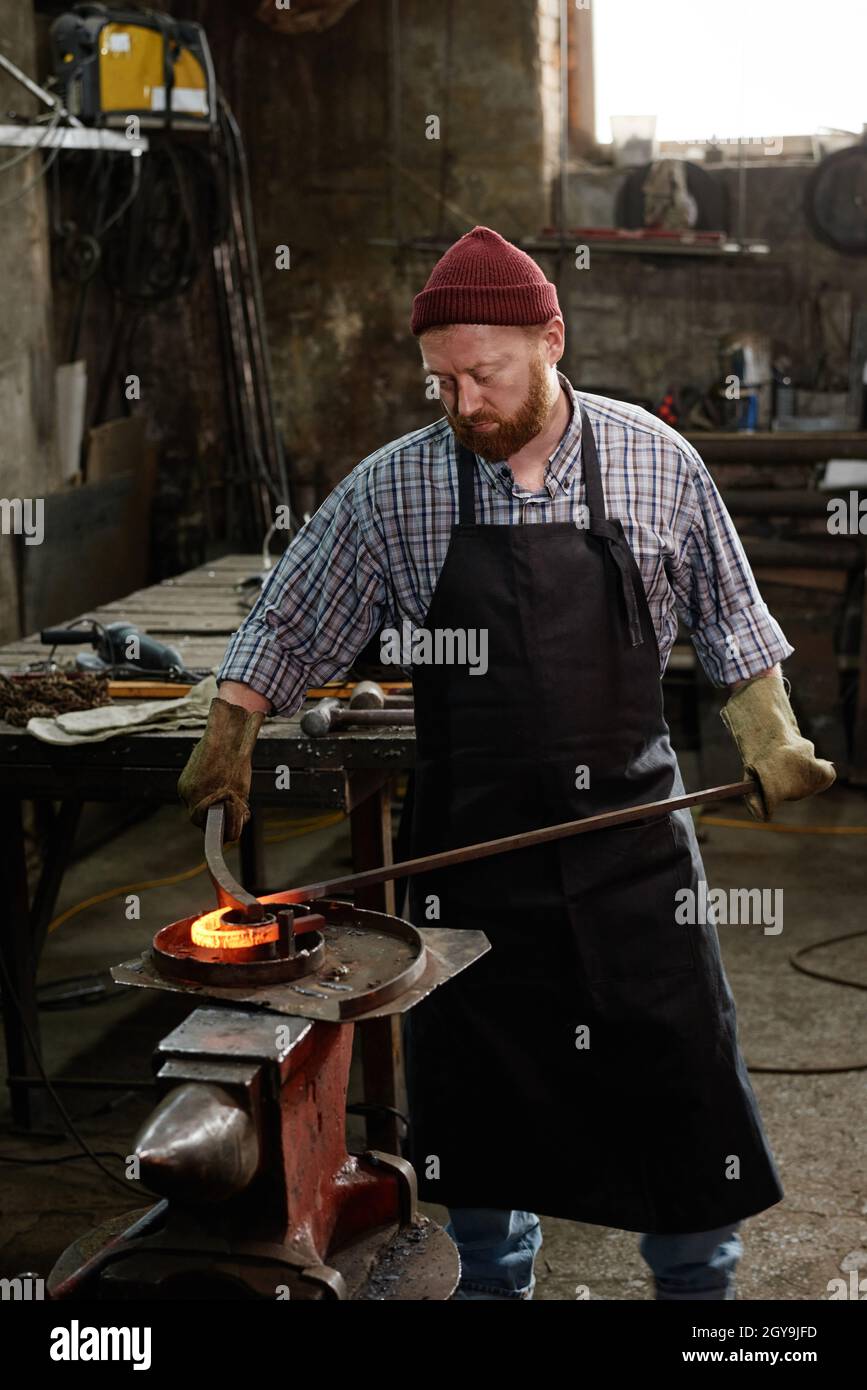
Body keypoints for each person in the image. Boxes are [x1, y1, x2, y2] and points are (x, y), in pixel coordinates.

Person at [178, 226, 835, 1300]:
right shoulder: (398, 489)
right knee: (486, 1141)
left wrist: (772, 738)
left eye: (484, 374)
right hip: (469, 865)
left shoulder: (655, 461)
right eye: (442, 381)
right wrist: (233, 725)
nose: (464, 402)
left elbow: (731, 618)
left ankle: (699, 1294)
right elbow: (293, 616)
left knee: (683, 1108)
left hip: (634, 865)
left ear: (551, 342)